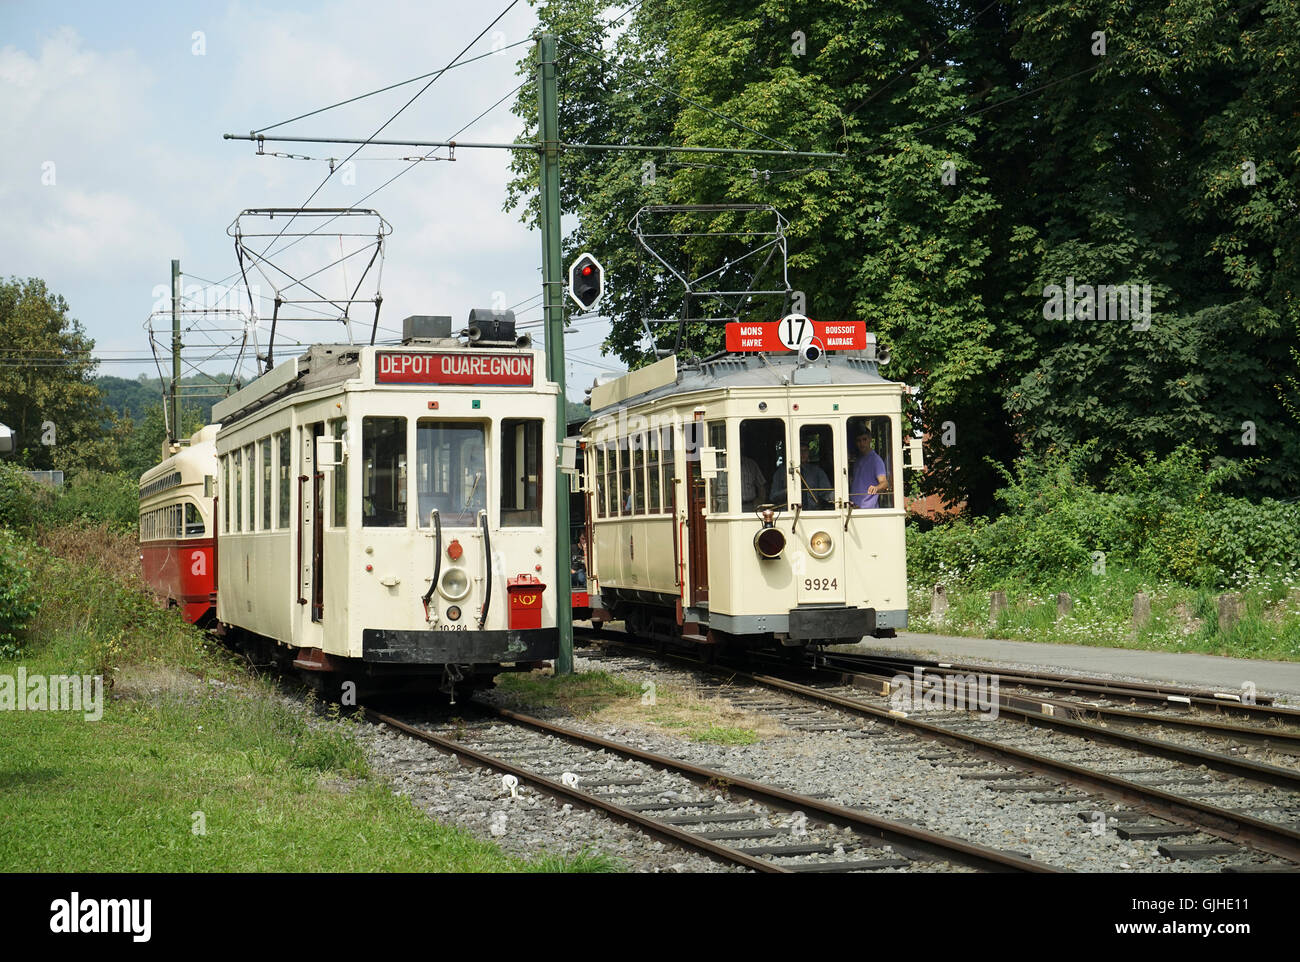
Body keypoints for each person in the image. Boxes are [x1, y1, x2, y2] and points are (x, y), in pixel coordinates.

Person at [771, 438, 832, 509]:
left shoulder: (817, 472)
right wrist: (787, 491)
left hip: (813, 513)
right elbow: (773, 497)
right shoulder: (780, 472)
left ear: (808, 452)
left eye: (805, 450)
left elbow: (827, 493)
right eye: (799, 451)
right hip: (790, 513)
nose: (802, 453)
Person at [850, 425, 889, 508]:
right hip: (854, 507)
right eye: (859, 440)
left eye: (864, 439)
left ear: (870, 439)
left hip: (868, 510)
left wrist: (876, 487)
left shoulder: (876, 460)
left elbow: (884, 483)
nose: (862, 443)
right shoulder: (857, 460)